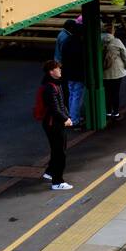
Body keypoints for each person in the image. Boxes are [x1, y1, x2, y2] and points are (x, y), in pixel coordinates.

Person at [37, 59, 73, 190]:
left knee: (57, 149)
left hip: (53, 123)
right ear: (51, 71)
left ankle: (50, 172)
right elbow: (55, 108)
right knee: (60, 152)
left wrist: (67, 116)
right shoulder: (50, 87)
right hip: (54, 124)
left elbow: (61, 104)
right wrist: (65, 119)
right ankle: (58, 182)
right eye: (58, 68)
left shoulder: (53, 84)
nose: (60, 70)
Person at [59, 20, 86, 129]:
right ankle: (75, 120)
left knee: (71, 95)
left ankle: (71, 116)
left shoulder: (67, 41)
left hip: (68, 73)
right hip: (78, 74)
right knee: (77, 97)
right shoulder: (79, 44)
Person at [101, 27, 126, 119]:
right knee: (115, 92)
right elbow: (124, 55)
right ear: (112, 31)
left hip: (103, 71)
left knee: (107, 92)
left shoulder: (99, 40)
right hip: (116, 71)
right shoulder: (116, 41)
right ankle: (116, 112)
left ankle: (108, 111)